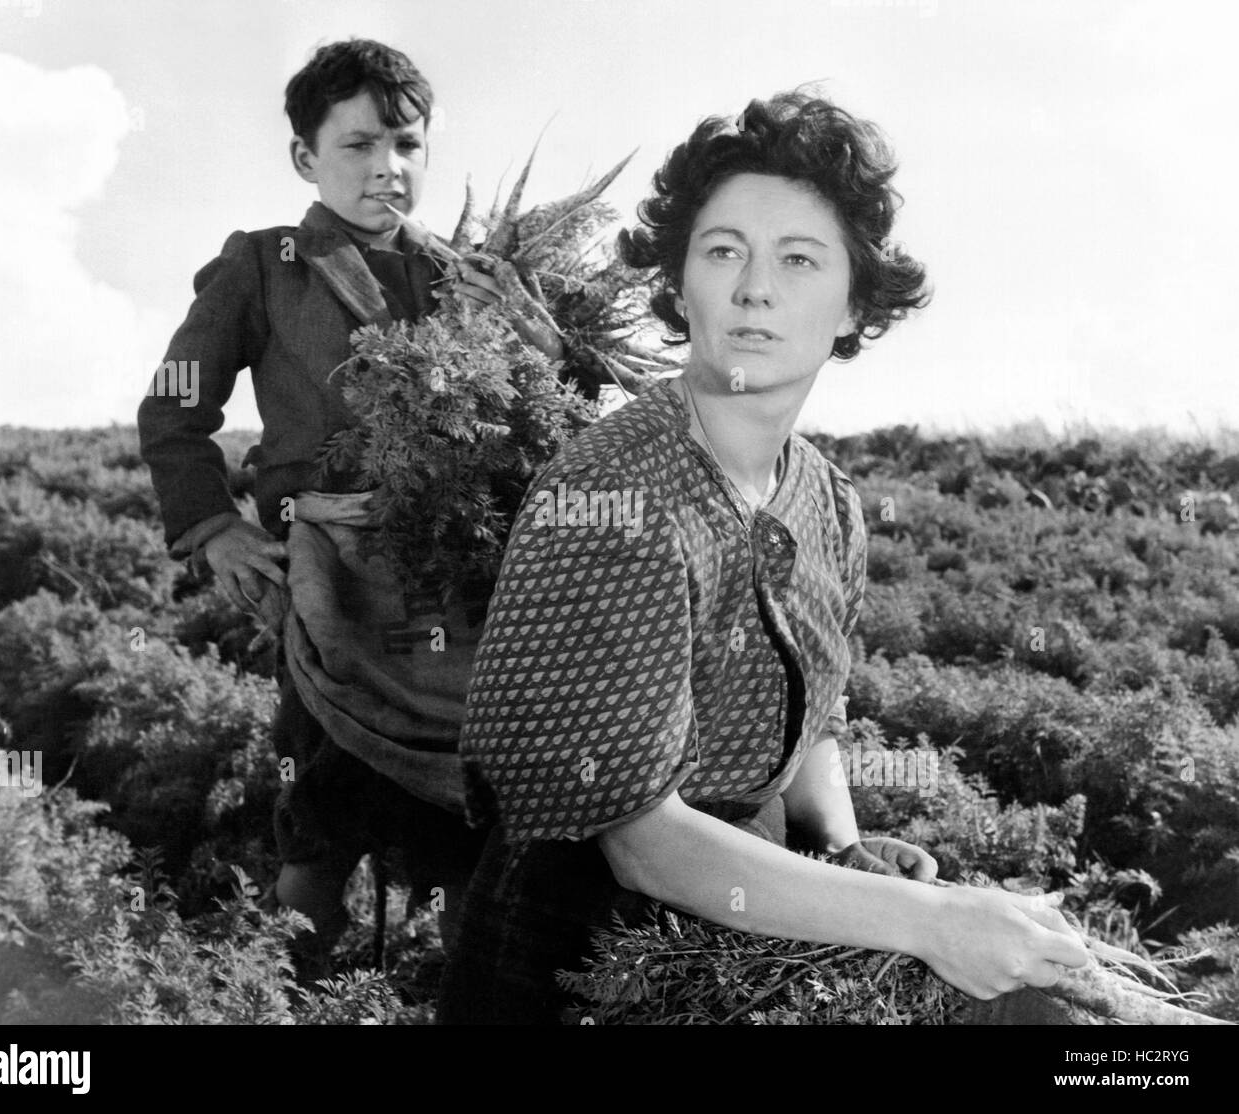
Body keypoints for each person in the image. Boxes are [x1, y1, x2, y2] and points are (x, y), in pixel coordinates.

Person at [438, 90, 1089, 1024]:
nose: (754, 288)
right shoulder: (613, 499)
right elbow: (643, 843)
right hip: (575, 954)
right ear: (679, 284)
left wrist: (843, 843)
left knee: (1096, 1045)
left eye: (798, 258)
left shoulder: (825, 498)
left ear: (853, 300)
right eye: (722, 251)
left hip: (748, 929)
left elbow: (814, 710)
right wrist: (931, 920)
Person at [137, 38, 559, 962]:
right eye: (360, 146)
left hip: (454, 586)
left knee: (464, 815)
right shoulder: (262, 265)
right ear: (305, 158)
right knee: (320, 820)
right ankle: (282, 990)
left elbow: (548, 415)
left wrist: (537, 335)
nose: (387, 169)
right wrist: (215, 526)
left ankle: (456, 1000)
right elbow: (173, 407)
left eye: (406, 145)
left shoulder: (470, 276)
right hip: (330, 585)